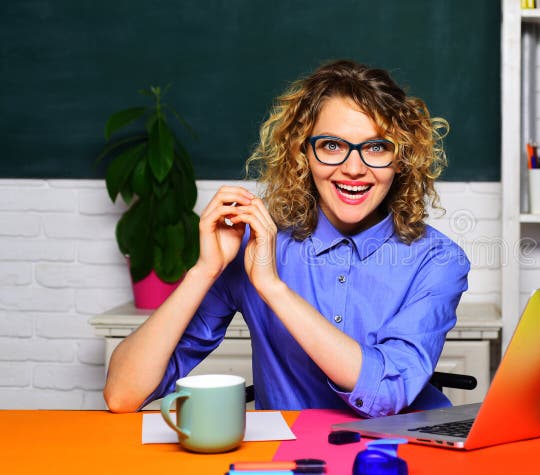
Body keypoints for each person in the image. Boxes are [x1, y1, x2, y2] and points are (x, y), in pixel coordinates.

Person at [103, 60, 470, 418]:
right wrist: (204, 271)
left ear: (401, 157)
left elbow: (389, 394)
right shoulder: (254, 245)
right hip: (290, 456)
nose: (354, 168)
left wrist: (273, 288)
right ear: (302, 152)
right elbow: (123, 394)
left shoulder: (438, 260)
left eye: (376, 147)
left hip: (400, 454)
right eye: (331, 145)